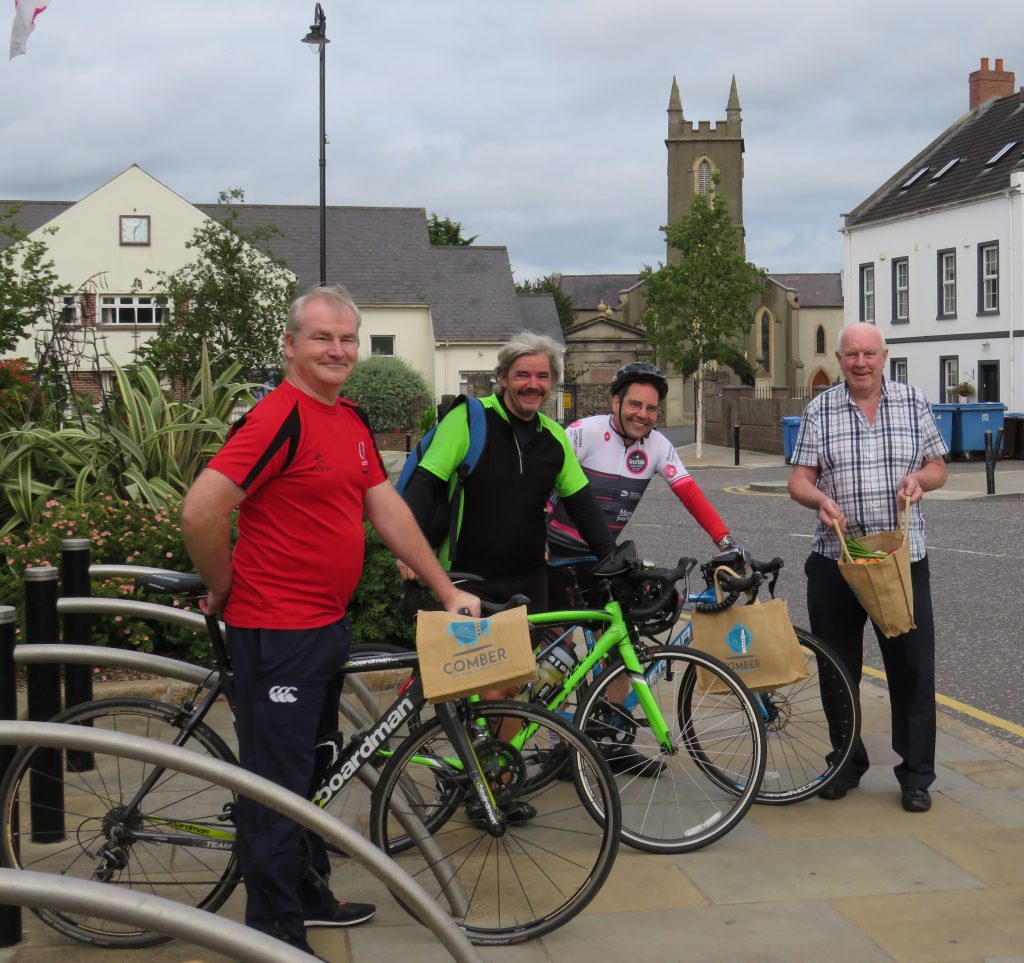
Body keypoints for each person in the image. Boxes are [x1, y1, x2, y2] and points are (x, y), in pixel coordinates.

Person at [181, 285, 480, 955]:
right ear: (290, 345)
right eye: (322, 337)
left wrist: (443, 586)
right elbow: (201, 511)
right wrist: (224, 588)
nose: (338, 349)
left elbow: (388, 510)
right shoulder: (276, 417)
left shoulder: (347, 420)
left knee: (315, 768)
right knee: (277, 790)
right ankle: (275, 936)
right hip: (277, 630)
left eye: (347, 337)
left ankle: (309, 891)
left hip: (324, 626)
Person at [546, 361, 742, 775]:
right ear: (615, 401)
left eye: (651, 408)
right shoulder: (583, 433)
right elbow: (542, 489)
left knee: (622, 654)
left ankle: (601, 742)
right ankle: (549, 739)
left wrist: (727, 543)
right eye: (634, 404)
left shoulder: (657, 447)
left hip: (599, 562)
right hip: (551, 558)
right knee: (553, 659)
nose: (642, 414)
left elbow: (690, 495)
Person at [787, 322, 947, 813]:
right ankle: (846, 763)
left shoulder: (912, 401)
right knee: (839, 669)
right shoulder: (821, 408)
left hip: (901, 560)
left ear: (884, 356)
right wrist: (819, 500)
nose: (860, 362)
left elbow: (939, 466)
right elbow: (799, 480)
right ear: (839, 358)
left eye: (869, 353)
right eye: (851, 354)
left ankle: (916, 775)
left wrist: (921, 480)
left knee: (912, 669)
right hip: (837, 561)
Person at [398, 331, 616, 613]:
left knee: (526, 659)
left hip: (530, 583)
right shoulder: (469, 419)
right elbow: (424, 485)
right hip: (467, 582)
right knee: (466, 657)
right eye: (522, 375)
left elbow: (583, 506)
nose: (533, 385)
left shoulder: (555, 437)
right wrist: (407, 549)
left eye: (542, 376)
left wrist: (614, 562)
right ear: (502, 378)